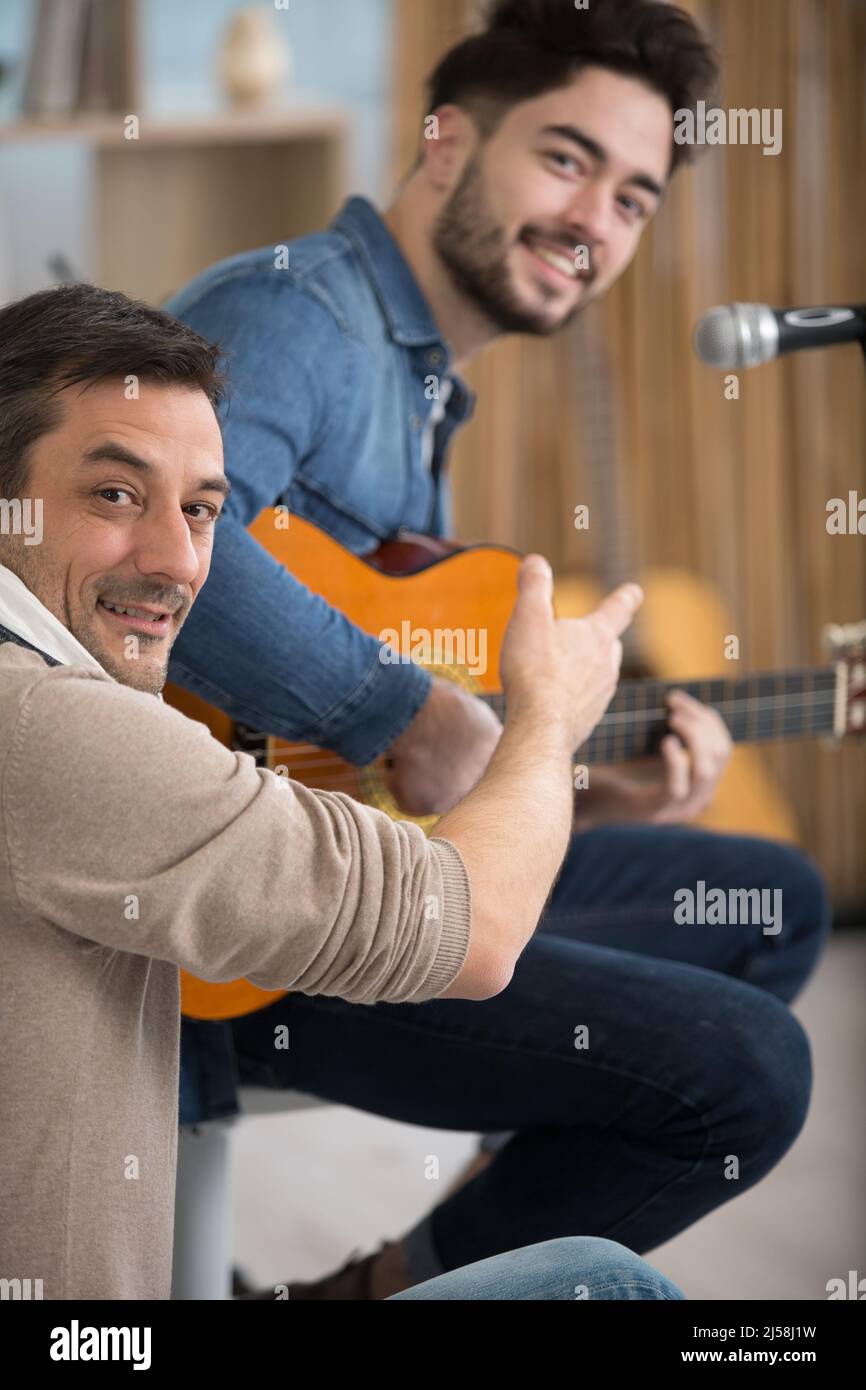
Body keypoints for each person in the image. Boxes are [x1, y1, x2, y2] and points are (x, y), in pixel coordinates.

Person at [165, 0, 829, 1299]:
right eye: (567, 158)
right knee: (749, 1070)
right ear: (447, 142)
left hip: (368, 861)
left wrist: (567, 780)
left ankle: (388, 1284)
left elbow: (419, 757)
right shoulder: (301, 314)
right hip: (245, 933)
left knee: (766, 905)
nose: (596, 222)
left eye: (635, 198)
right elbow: (170, 559)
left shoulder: (413, 379)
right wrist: (406, 715)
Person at [0, 282, 685, 1301]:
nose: (175, 561)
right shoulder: (50, 725)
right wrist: (548, 714)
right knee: (609, 1282)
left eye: (200, 511)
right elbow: (476, 930)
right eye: (113, 494)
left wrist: (572, 785)